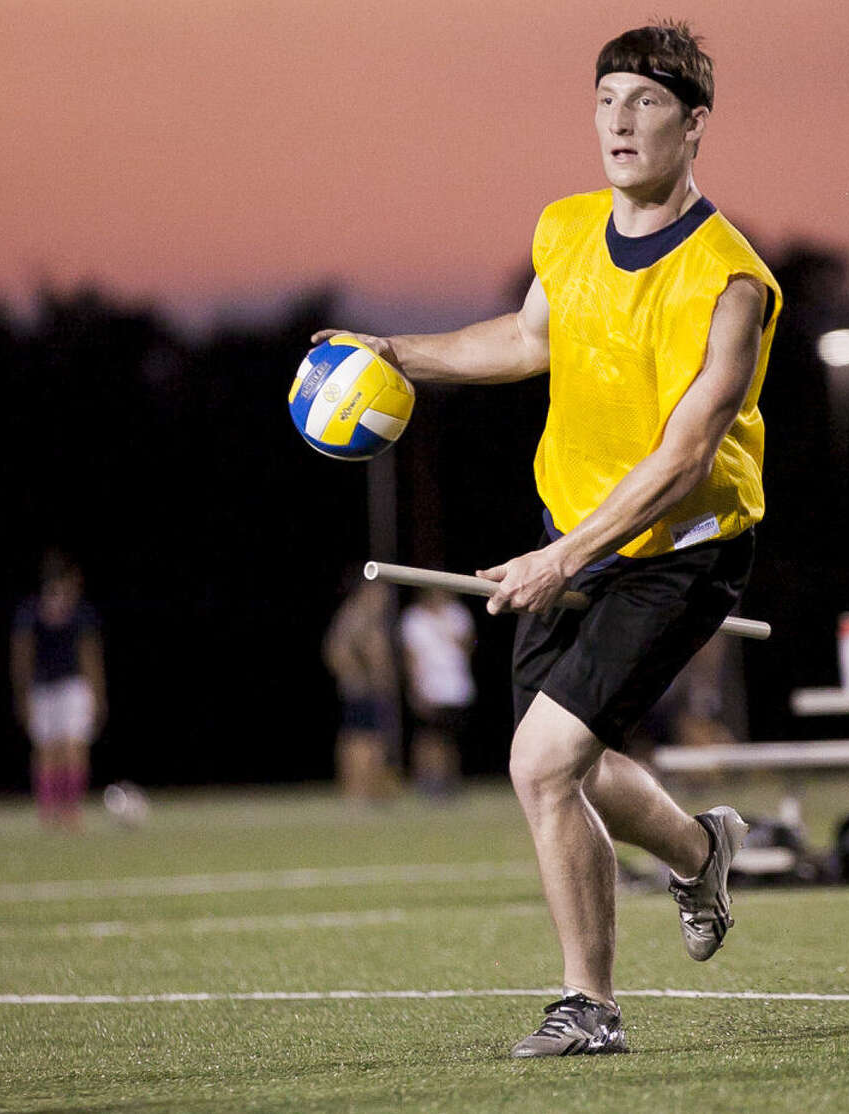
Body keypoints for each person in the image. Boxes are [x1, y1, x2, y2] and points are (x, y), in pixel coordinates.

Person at [312, 21, 781, 1056]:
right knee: (568, 760)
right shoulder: (565, 228)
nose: (619, 119)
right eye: (607, 98)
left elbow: (687, 453)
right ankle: (701, 851)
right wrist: (396, 354)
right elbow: (527, 340)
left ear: (695, 124)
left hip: (681, 545)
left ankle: (591, 1008)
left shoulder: (729, 279)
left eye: (647, 101)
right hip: (570, 531)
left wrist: (562, 559)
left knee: (541, 760)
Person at [10, 550, 106, 829]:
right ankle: (50, 808)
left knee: (72, 745)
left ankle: (70, 808)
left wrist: (97, 694)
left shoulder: (80, 612)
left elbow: (89, 654)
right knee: (47, 749)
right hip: (42, 688)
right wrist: (23, 693)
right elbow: (22, 655)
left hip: (73, 686)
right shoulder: (32, 611)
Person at [322, 578, 401, 800]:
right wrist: (355, 673)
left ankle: (365, 790)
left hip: (363, 688)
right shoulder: (359, 617)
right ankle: (361, 790)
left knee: (363, 738)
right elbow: (336, 651)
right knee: (364, 740)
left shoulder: (357, 616)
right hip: (363, 690)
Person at [398, 588, 477, 797]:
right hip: (428, 686)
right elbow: (410, 658)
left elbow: (468, 646)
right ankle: (426, 781)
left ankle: (448, 781)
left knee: (448, 737)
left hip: (454, 688)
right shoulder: (414, 618)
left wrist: (444, 626)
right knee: (427, 737)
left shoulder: (457, 614)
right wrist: (415, 687)